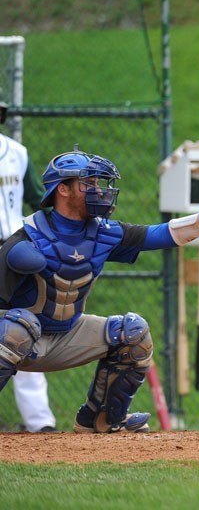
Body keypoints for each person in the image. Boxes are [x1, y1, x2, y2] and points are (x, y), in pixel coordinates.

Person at [0, 147, 199, 433]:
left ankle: (101, 420)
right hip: (22, 342)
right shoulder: (27, 238)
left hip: (66, 335)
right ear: (62, 189)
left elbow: (165, 234)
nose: (99, 190)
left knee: (133, 333)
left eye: (98, 183)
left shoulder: (102, 232)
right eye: (88, 183)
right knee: (18, 327)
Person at [0, 99, 57, 432]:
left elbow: (40, 200)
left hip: (14, 254)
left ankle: (40, 423)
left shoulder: (16, 153)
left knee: (23, 328)